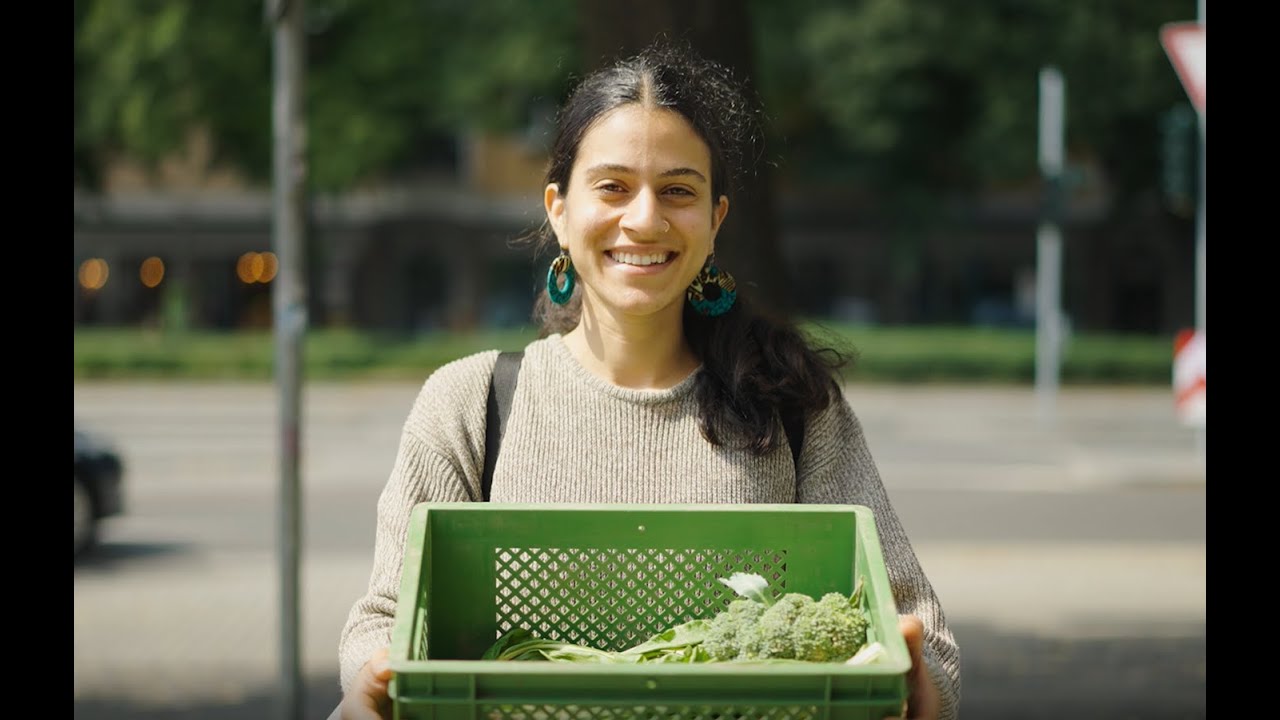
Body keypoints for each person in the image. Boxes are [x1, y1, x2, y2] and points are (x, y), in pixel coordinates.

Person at [336, 39, 960, 720]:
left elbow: (917, 625)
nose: (644, 219)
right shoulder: (470, 404)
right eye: (612, 187)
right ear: (559, 209)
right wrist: (373, 683)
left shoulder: (792, 404)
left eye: (677, 192)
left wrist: (912, 676)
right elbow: (385, 618)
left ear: (715, 221)